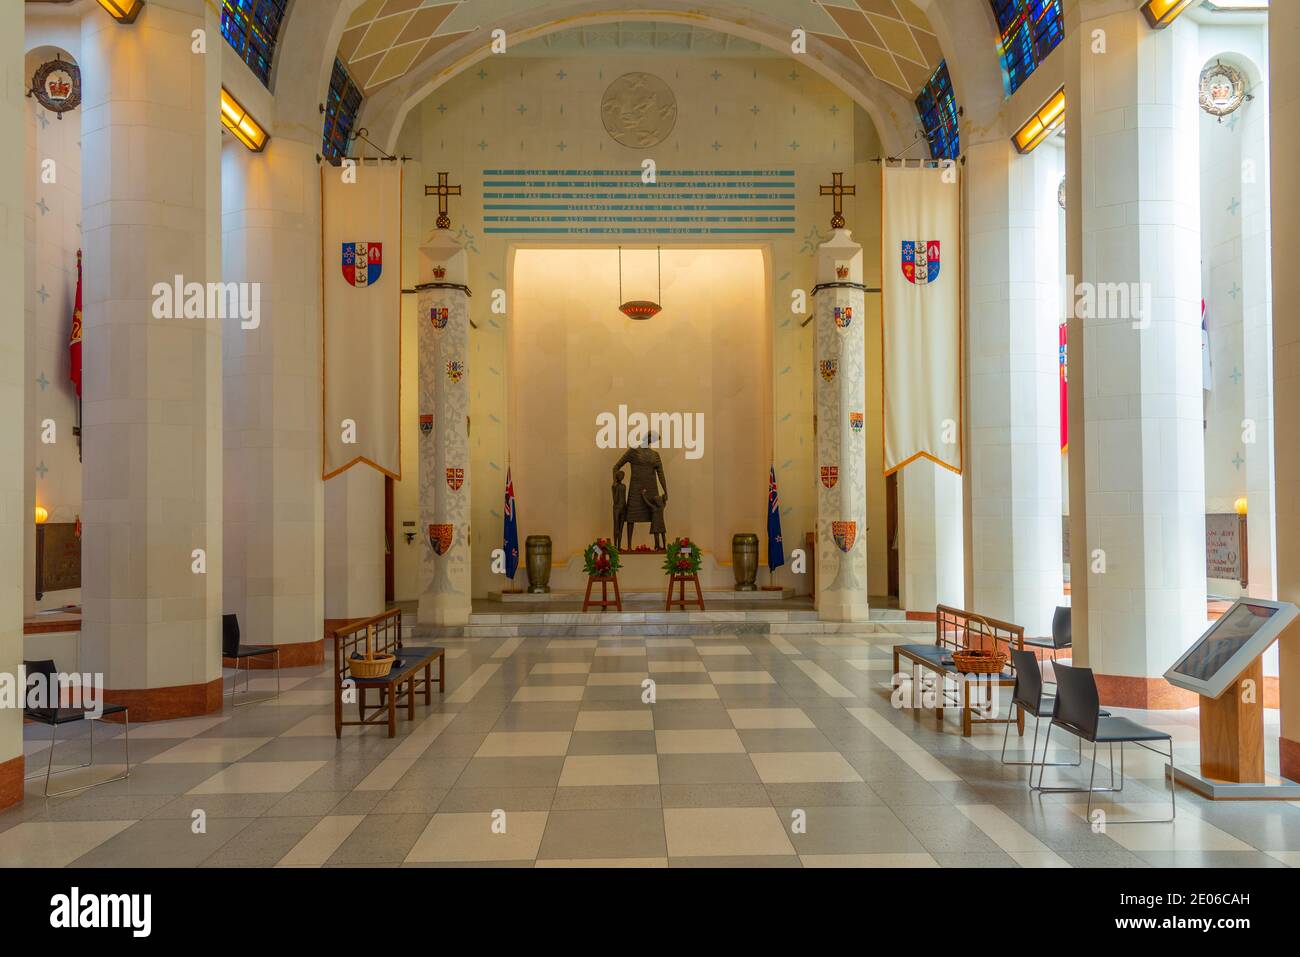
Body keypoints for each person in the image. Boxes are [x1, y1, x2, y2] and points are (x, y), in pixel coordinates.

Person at [611, 469, 628, 547]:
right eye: (619, 475)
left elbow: (624, 497)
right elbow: (615, 499)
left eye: (622, 476)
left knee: (621, 527)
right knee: (616, 527)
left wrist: (626, 507)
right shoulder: (614, 486)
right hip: (617, 508)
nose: (621, 477)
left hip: (623, 508)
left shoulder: (624, 486)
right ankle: (615, 545)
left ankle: (619, 546)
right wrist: (615, 486)